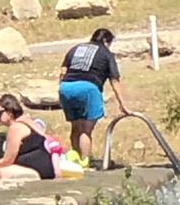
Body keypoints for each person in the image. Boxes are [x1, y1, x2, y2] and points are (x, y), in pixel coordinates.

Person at [57, 28, 134, 162]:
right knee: (85, 130)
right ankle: (84, 162)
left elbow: (63, 72)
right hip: (88, 88)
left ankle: (74, 161)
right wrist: (123, 104)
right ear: (105, 41)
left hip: (66, 87)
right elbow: (114, 81)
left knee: (75, 127)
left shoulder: (75, 48)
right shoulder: (106, 54)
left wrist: (62, 91)